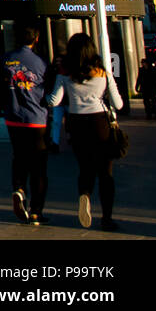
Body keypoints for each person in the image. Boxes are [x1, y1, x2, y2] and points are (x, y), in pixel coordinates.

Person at [46, 33, 123, 231]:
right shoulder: (102, 72)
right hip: (100, 123)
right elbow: (118, 104)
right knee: (106, 172)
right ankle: (107, 218)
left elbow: (54, 100)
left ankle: (85, 195)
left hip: (76, 124)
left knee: (85, 168)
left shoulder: (65, 73)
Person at [0, 25, 49, 225]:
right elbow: (48, 91)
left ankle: (19, 188)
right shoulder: (41, 62)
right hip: (36, 119)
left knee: (19, 157)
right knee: (39, 166)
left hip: (13, 117)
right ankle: (36, 210)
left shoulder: (5, 60)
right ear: (35, 39)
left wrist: (6, 105)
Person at [43, 53, 66, 153]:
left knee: (57, 122)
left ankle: (56, 142)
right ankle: (55, 142)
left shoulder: (61, 73)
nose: (58, 63)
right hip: (61, 102)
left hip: (63, 101)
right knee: (56, 122)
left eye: (60, 61)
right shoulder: (54, 72)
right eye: (57, 61)